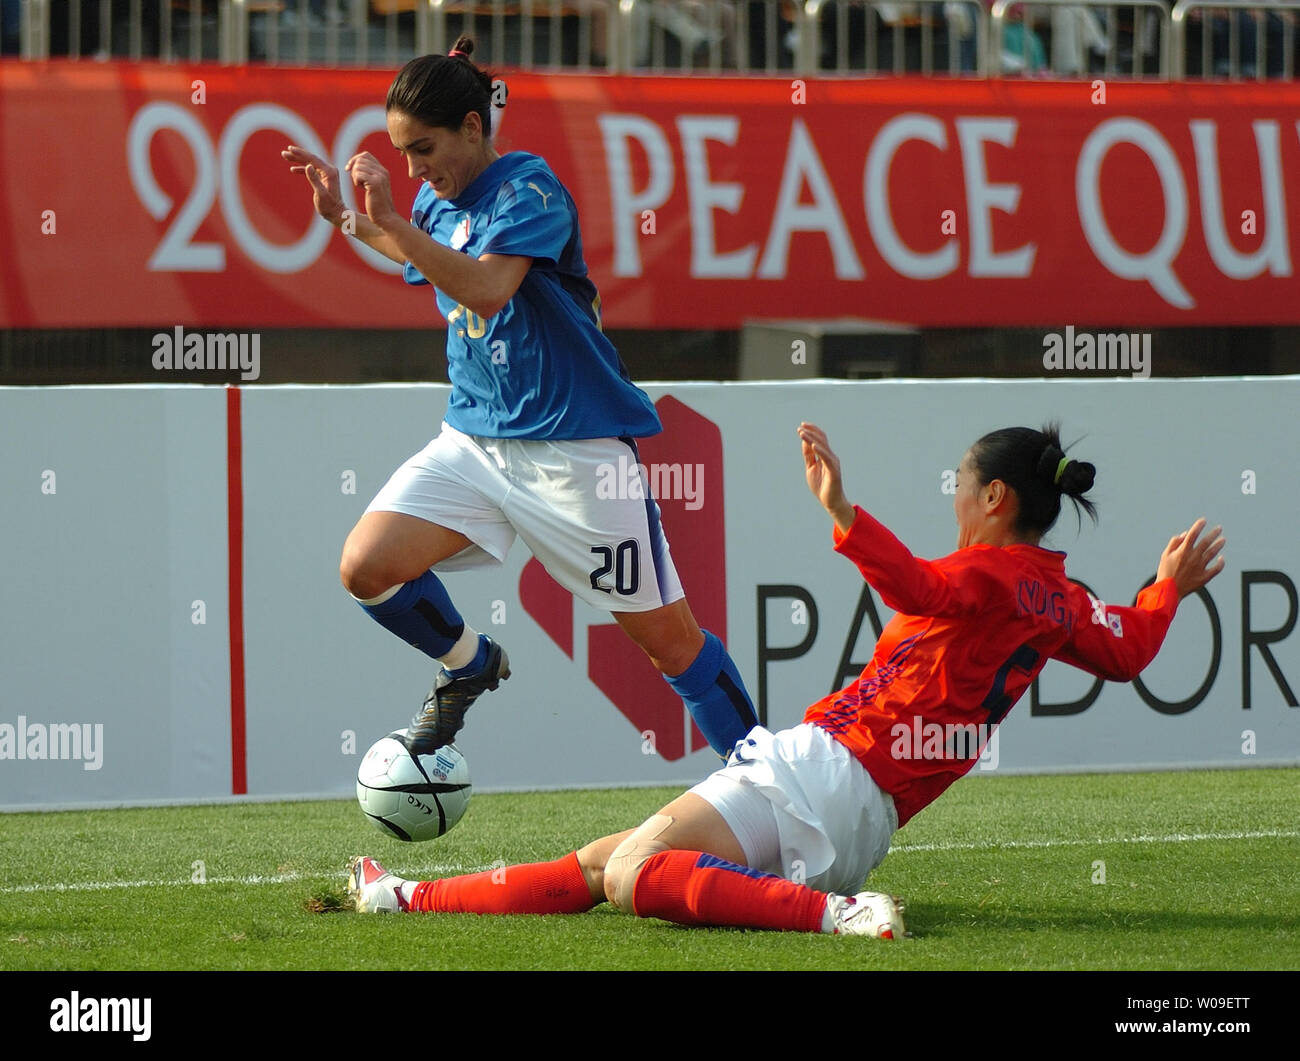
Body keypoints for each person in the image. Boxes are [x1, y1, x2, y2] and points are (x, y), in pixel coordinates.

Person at [346, 421, 1226, 937]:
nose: (954, 493)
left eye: (962, 481)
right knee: (603, 861)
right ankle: (405, 896)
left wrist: (843, 513)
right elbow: (1132, 649)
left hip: (834, 767)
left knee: (632, 871)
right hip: (863, 807)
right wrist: (1167, 588)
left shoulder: (993, 576)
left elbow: (921, 584)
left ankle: (835, 916)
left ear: (995, 498)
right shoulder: (1058, 597)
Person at [280, 38, 757, 758]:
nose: (413, 168)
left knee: (672, 646)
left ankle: (773, 784)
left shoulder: (529, 190)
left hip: (574, 450)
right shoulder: (433, 204)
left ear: (474, 128)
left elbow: (485, 286)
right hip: (472, 441)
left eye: (424, 147)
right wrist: (345, 219)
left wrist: (396, 224)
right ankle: (469, 661)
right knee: (367, 566)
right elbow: (415, 256)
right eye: (402, 152)